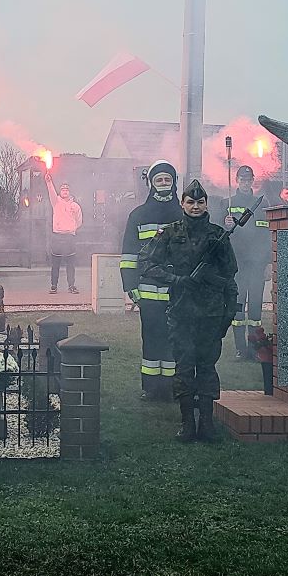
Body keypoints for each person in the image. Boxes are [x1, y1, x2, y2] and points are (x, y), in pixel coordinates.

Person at [139, 179, 238, 442]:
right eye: (191, 202)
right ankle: (186, 423)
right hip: (181, 311)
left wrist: (228, 311)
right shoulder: (169, 233)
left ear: (206, 205)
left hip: (210, 313)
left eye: (200, 202)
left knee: (206, 366)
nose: (196, 206)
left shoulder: (218, 235)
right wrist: (176, 280)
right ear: (182, 204)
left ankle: (206, 422)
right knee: (184, 367)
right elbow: (146, 263)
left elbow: (230, 274)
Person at [120, 160, 182, 401]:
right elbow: (128, 254)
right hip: (147, 291)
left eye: (167, 179)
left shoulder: (184, 214)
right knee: (151, 338)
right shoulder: (138, 215)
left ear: (174, 183)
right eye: (159, 180)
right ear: (151, 184)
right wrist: (130, 286)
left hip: (177, 291)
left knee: (175, 339)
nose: (163, 183)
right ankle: (151, 388)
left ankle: (172, 387)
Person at [216, 164, 273, 360]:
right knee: (238, 308)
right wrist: (225, 224)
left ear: (253, 181)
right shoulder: (227, 203)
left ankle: (255, 349)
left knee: (255, 309)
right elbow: (218, 233)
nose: (246, 182)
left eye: (249, 179)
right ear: (237, 181)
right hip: (237, 264)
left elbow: (267, 235)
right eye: (242, 179)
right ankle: (241, 349)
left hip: (257, 264)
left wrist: (268, 263)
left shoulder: (262, 204)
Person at [45, 172, 82, 294]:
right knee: (55, 263)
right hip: (57, 236)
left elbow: (79, 221)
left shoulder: (75, 206)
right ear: (60, 191)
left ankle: (71, 286)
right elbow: (51, 192)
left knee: (70, 263)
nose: (65, 191)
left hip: (70, 237)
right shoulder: (56, 202)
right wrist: (49, 181)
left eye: (67, 189)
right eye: (62, 189)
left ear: (70, 191)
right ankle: (54, 286)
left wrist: (71, 229)